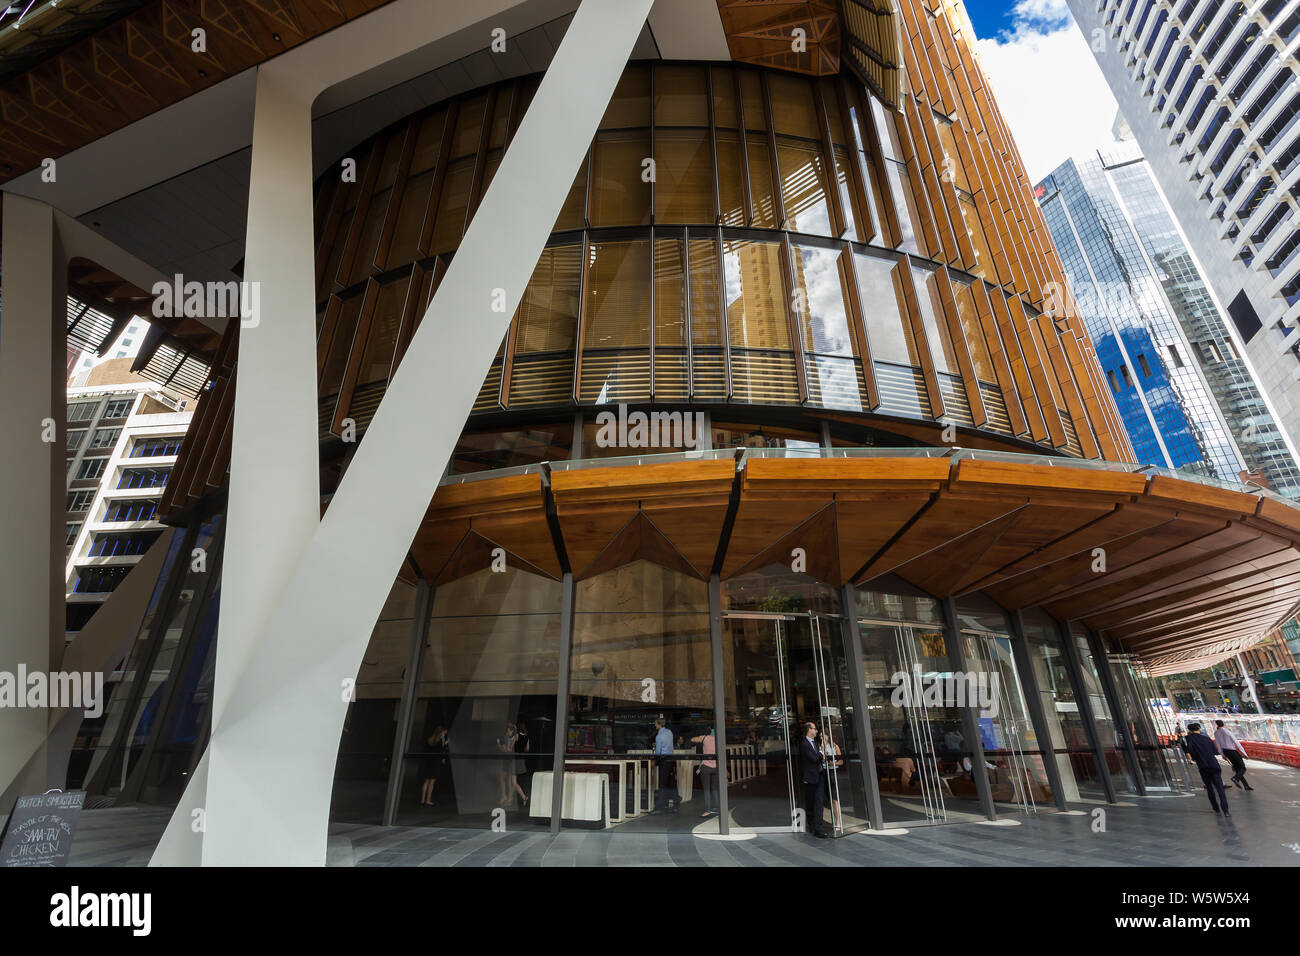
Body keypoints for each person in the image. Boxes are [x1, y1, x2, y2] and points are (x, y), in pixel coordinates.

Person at [1184, 722, 1229, 817]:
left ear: (1189, 730)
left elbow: (1190, 751)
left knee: (1209, 787)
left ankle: (1215, 807)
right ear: (1199, 729)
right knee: (1220, 787)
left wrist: (1195, 758)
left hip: (1203, 766)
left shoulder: (1189, 739)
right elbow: (1214, 751)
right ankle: (1225, 810)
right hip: (1214, 764)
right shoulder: (1206, 738)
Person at [799, 722, 828, 837]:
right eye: (815, 729)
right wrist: (821, 752)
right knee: (810, 804)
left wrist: (820, 755)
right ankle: (812, 825)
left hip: (819, 776)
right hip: (810, 779)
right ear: (809, 730)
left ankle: (818, 829)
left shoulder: (815, 743)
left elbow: (819, 759)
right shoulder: (804, 744)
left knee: (819, 803)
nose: (816, 731)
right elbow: (814, 759)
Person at [1213, 720, 1253, 790]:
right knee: (1242, 768)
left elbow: (1218, 745)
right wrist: (1244, 753)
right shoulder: (1227, 732)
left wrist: (1222, 755)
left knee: (1237, 769)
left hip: (1225, 751)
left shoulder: (1216, 733)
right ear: (1223, 724)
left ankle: (1246, 785)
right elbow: (1236, 742)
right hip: (1232, 751)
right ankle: (1235, 778)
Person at [690, 727, 718, 817]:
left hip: (706, 767)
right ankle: (718, 808)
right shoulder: (717, 739)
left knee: (706, 790)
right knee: (714, 789)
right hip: (716, 767)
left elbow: (692, 739)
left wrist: (700, 738)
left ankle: (708, 810)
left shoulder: (704, 738)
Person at [652, 718, 677, 814]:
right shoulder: (670, 732)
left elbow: (658, 752)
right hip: (671, 759)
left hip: (663, 760)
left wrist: (654, 761)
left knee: (662, 784)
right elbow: (668, 745)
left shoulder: (659, 736)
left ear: (659, 725)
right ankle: (674, 804)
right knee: (670, 783)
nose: (655, 725)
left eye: (655, 724)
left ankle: (660, 807)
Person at [420, 725, 448, 807]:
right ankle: (428, 800)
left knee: (426, 781)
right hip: (435, 762)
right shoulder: (440, 741)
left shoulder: (429, 739)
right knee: (432, 783)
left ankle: (422, 800)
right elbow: (441, 750)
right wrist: (445, 743)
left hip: (428, 762)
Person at [822, 726, 843, 831]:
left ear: (828, 736)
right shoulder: (819, 746)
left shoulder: (834, 746)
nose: (822, 738)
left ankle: (838, 821)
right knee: (826, 799)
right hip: (823, 773)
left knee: (834, 799)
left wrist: (833, 763)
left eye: (823, 736)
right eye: (820, 736)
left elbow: (841, 761)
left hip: (833, 772)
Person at [513, 720, 533, 804]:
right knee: (513, 780)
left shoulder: (516, 735)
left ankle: (523, 796)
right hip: (521, 759)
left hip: (514, 759)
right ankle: (512, 798)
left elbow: (512, 746)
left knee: (512, 781)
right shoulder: (527, 737)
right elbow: (527, 749)